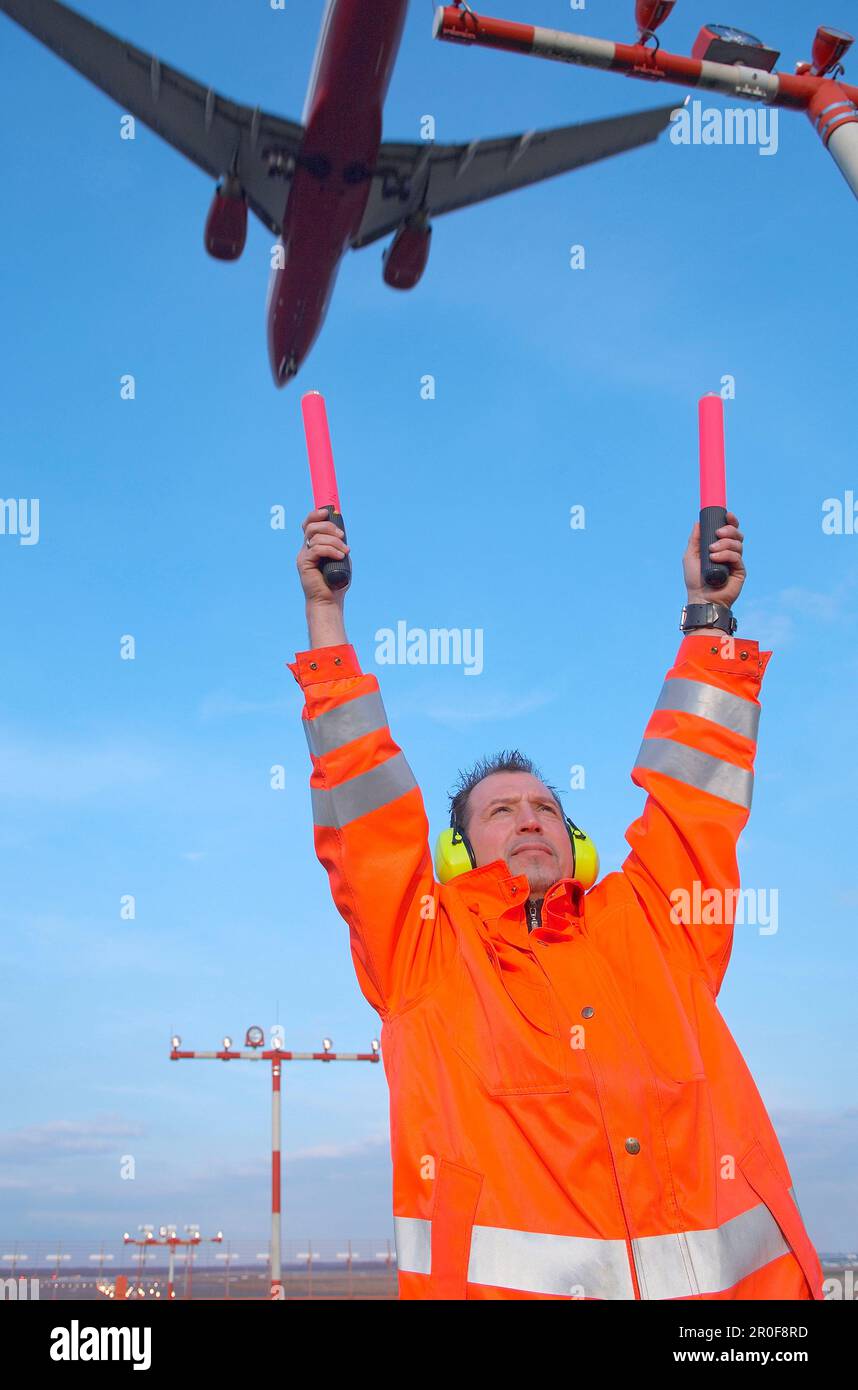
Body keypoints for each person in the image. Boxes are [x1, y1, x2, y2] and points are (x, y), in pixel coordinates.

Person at [287, 506, 823, 1302]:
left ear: (576, 844)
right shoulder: (425, 952)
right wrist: (326, 619)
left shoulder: (656, 925)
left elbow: (695, 795)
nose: (529, 816)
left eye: (544, 808)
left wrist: (710, 621)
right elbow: (367, 822)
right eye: (500, 811)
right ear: (458, 854)